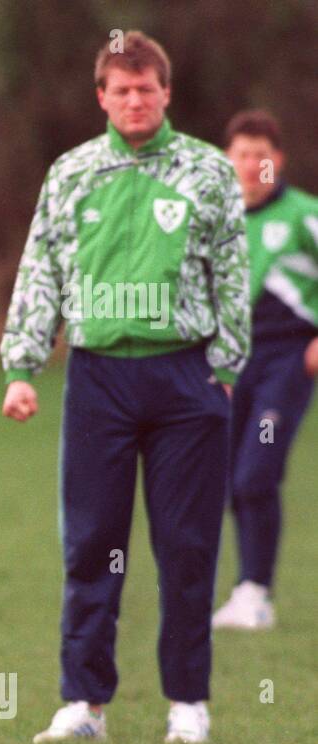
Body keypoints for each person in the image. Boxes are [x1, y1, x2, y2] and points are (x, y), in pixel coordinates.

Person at [0, 32, 250, 744]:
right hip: (99, 379)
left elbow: (233, 272)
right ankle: (84, 703)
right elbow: (41, 269)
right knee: (90, 542)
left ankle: (188, 704)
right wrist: (23, 366)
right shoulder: (73, 172)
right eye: (121, 89)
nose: (134, 100)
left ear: (165, 93)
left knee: (188, 544)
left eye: (146, 88)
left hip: (186, 375)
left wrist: (226, 368)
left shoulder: (207, 171)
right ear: (102, 96)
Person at [212, 110, 318, 631]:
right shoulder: (218, 219)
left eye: (261, 156)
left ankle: (257, 593)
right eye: (241, 156)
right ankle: (246, 591)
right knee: (231, 477)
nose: (252, 166)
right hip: (234, 364)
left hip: (287, 362)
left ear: (277, 161)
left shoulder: (303, 214)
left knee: (257, 473)